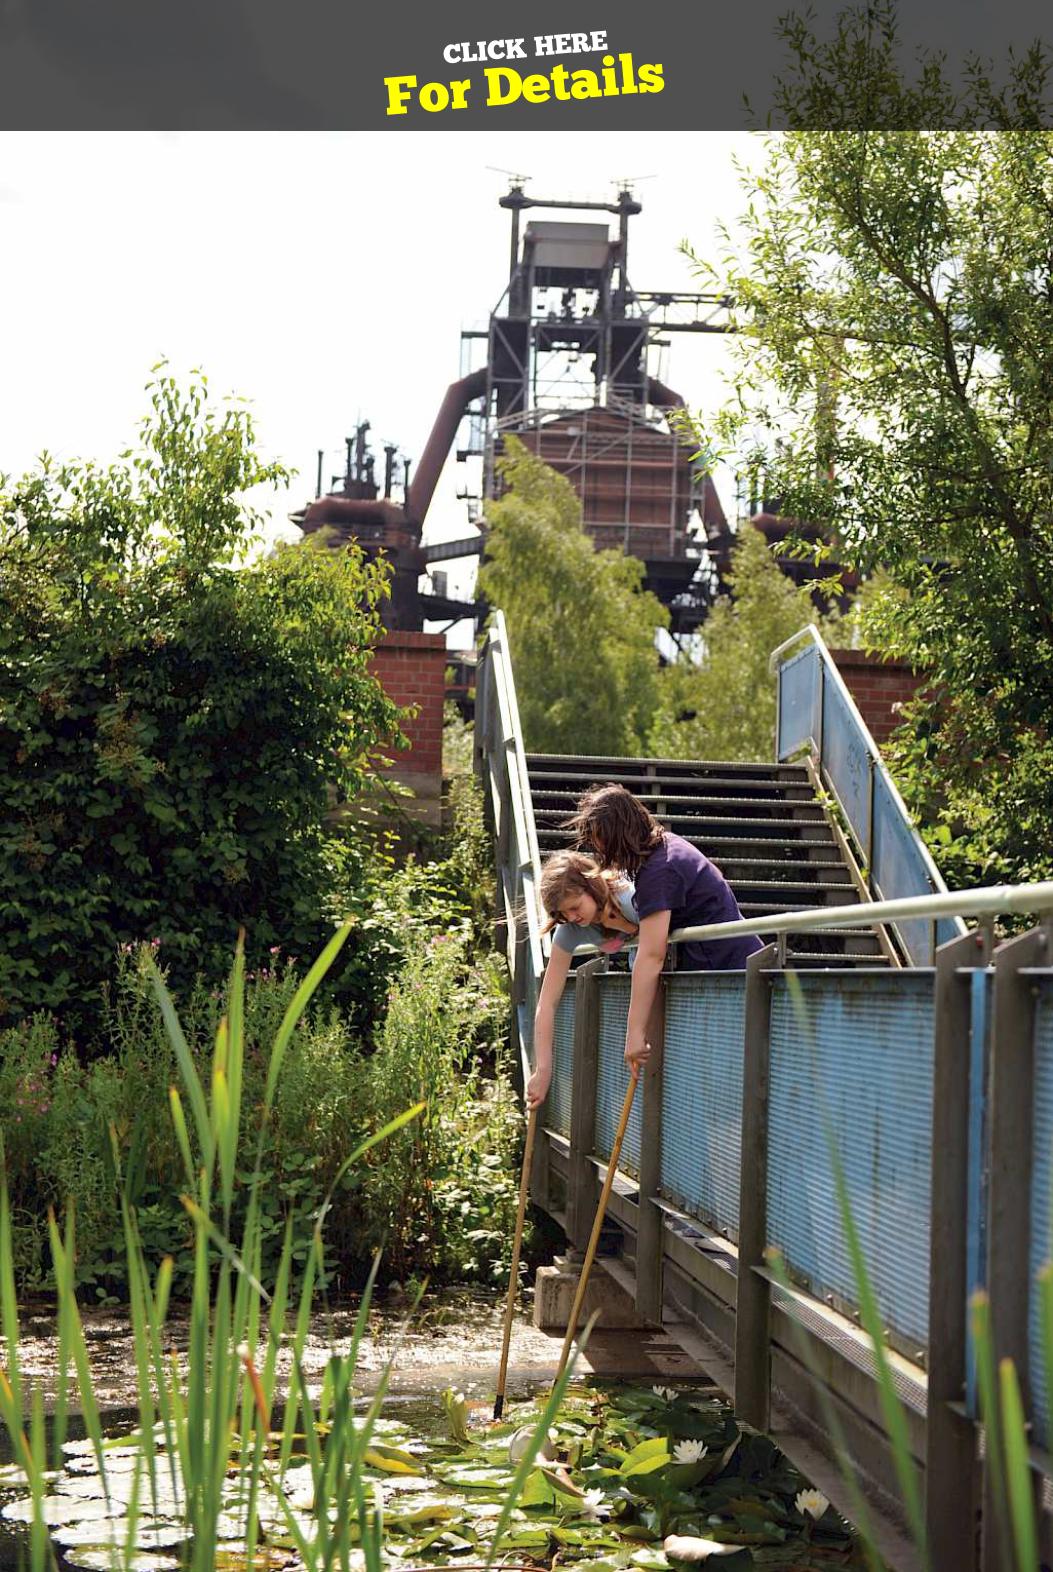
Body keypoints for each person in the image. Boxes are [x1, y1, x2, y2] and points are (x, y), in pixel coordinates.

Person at [564, 783, 763, 1075]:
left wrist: (634, 1033)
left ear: (617, 834)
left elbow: (652, 954)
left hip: (731, 976)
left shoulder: (659, 871)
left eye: (599, 840)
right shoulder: (666, 848)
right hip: (728, 973)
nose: (598, 850)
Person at [525, 850, 638, 1109]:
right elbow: (547, 1004)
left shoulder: (629, 898)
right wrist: (543, 1070)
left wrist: (626, 926)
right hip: (642, 966)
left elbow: (663, 935)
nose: (572, 918)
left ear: (590, 885)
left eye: (575, 907)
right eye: (563, 914)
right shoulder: (570, 930)